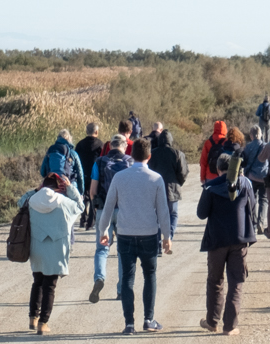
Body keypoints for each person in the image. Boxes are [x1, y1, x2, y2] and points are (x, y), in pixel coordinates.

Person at [96, 141, 174, 334]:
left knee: (128, 279)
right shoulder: (156, 179)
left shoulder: (120, 177)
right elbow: (163, 211)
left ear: (132, 154)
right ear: (149, 156)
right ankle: (149, 319)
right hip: (148, 233)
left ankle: (129, 324)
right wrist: (166, 236)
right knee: (150, 276)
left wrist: (103, 230)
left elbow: (108, 206)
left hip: (125, 234)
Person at [196, 153, 258, 333]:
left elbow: (201, 214)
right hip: (239, 239)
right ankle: (230, 326)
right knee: (236, 281)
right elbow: (252, 208)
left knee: (215, 281)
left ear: (218, 169)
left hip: (217, 240)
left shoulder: (210, 187)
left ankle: (212, 322)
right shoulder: (245, 185)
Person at [18, 171, 85, 334]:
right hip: (57, 247)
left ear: (43, 185)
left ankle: (33, 318)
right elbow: (80, 206)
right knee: (50, 286)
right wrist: (70, 188)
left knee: (37, 282)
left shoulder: (32, 200)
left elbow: (20, 202)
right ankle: (43, 323)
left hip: (37, 246)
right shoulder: (64, 201)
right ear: (59, 187)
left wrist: (35, 190)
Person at [84, 136, 134, 303]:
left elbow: (92, 191)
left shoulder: (99, 162)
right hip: (124, 211)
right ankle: (121, 290)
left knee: (101, 249)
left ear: (110, 146)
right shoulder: (130, 161)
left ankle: (99, 278)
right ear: (125, 146)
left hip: (104, 209)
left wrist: (95, 207)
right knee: (122, 251)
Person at [148, 123, 186, 222]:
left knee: (157, 214)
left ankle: (159, 236)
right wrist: (178, 182)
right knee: (173, 214)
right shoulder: (178, 154)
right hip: (172, 189)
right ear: (171, 140)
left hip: (157, 188)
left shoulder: (153, 154)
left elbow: (149, 171)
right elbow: (183, 172)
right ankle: (169, 235)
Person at [42, 129, 87, 197]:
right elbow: (80, 174)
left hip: (52, 186)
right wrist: (81, 192)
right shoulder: (73, 153)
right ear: (69, 139)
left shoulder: (50, 152)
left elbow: (42, 172)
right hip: (69, 184)